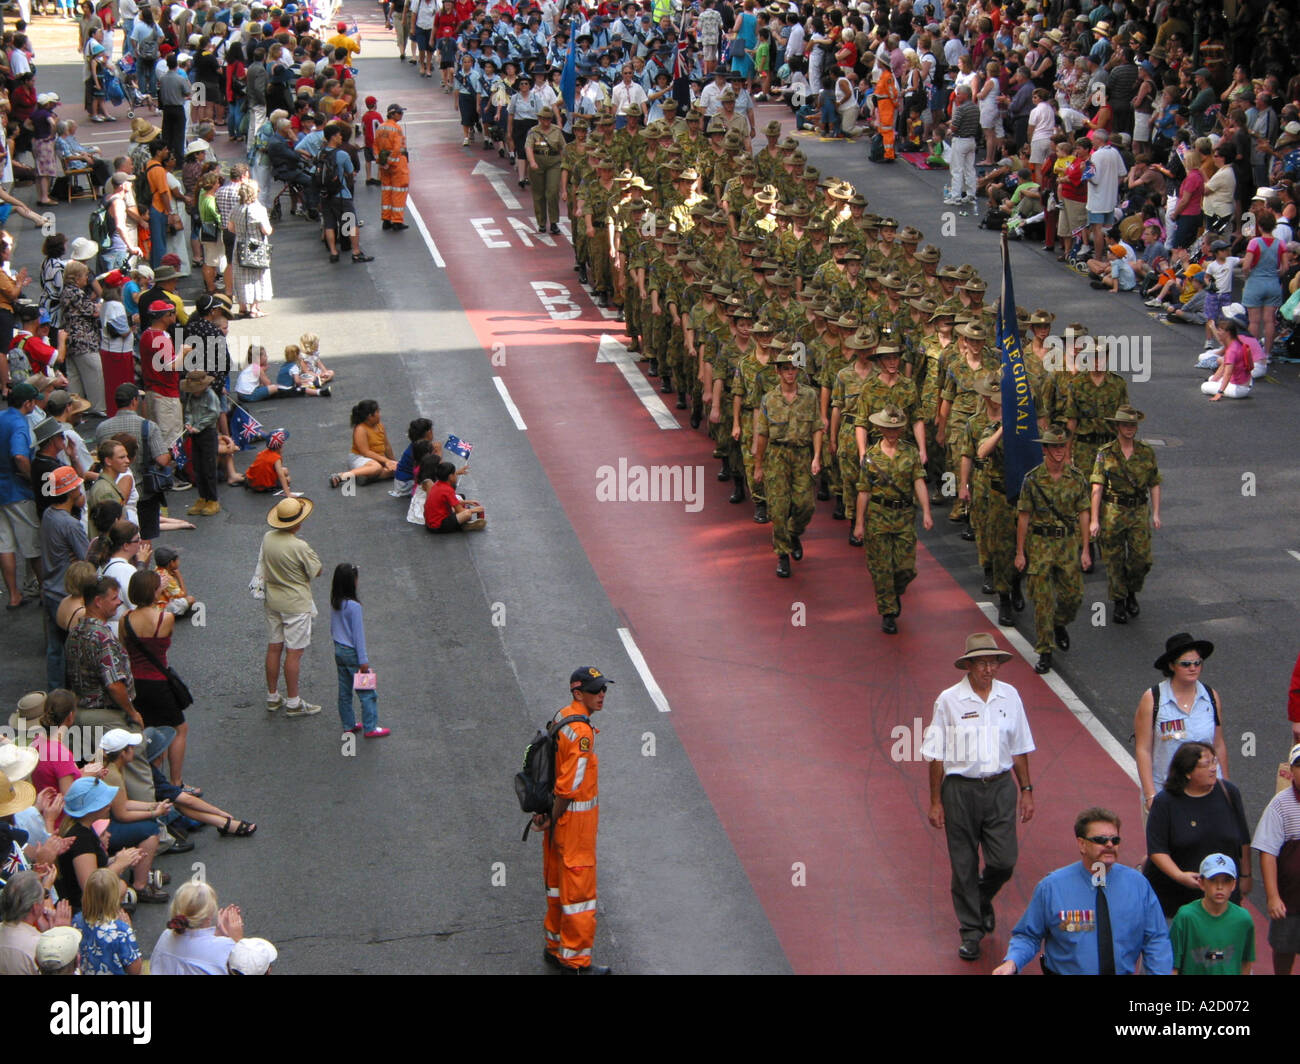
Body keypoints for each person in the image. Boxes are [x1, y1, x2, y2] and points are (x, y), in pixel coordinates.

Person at [923, 633, 1034, 961]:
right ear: (968, 665)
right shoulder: (948, 700)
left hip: (1001, 788)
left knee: (1004, 861)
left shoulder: (1009, 696)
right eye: (983, 662)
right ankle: (971, 930)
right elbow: (936, 754)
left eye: (994, 662)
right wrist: (935, 801)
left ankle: (981, 899)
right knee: (963, 864)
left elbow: (1019, 747)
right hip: (960, 790)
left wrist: (1027, 790)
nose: (990, 668)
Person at [993, 807, 1172, 975]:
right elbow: (1028, 935)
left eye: (1115, 840)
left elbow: (1156, 939)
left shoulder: (1138, 885)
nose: (1109, 844)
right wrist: (1012, 962)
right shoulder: (1052, 888)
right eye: (1101, 840)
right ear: (1082, 844)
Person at [532, 667, 613, 975]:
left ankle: (554, 948)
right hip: (573, 825)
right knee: (578, 894)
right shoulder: (582, 734)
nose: (602, 695)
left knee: (555, 887)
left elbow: (550, 771)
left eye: (604, 689)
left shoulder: (561, 717)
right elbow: (569, 786)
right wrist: (553, 818)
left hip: (557, 821)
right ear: (579, 693)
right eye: (596, 690)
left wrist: (545, 816)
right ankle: (576, 963)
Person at [1144, 741, 1251, 920]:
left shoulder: (1229, 792)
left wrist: (1246, 876)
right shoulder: (1166, 802)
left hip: (1221, 899)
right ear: (1187, 772)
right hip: (1176, 899)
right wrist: (1179, 876)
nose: (1213, 769)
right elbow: (1157, 849)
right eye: (1206, 764)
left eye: (1214, 762)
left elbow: (1243, 839)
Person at [1015, 427, 1090, 674]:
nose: (1059, 452)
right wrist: (1020, 552)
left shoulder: (1076, 478)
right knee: (1042, 601)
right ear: (1045, 450)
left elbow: (1083, 513)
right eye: (1054, 447)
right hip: (1040, 544)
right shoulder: (1033, 479)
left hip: (1067, 543)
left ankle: (1060, 624)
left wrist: (1086, 549)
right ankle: (1045, 650)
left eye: (1062, 446)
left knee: (1073, 596)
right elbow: (1024, 516)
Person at [854, 404, 933, 631]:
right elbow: (863, 491)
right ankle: (888, 611)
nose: (892, 433)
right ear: (880, 428)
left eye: (896, 428)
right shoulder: (870, 457)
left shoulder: (910, 453)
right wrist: (859, 523)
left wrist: (926, 511)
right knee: (881, 567)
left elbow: (919, 481)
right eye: (888, 428)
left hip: (904, 516)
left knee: (905, 567)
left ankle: (894, 592)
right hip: (878, 516)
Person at [752, 348, 822, 580]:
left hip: (802, 455)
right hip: (776, 457)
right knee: (779, 509)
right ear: (778, 371)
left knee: (806, 504)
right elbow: (762, 434)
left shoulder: (810, 396)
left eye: (793, 369)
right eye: (785, 369)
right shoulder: (769, 399)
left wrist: (817, 456)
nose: (790, 373)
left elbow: (817, 427)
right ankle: (782, 553)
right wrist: (758, 465)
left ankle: (794, 533)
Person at [1088, 405, 1161, 625]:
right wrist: (1094, 519)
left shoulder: (1146, 451)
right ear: (1117, 426)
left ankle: (1131, 591)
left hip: (1138, 510)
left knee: (1142, 559)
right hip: (1113, 511)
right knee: (1114, 559)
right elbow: (1097, 487)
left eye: (1133, 425)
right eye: (1126, 425)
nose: (1130, 428)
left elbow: (1154, 483)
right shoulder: (1105, 452)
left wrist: (1156, 513)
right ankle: (1120, 601)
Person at [258, 497, 322, 717]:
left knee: (274, 647)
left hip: (272, 599)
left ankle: (273, 696)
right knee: (294, 653)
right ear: (297, 523)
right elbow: (317, 570)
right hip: (295, 602)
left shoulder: (268, 538)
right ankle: (293, 701)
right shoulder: (299, 546)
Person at [1253, 743, 1300, 975]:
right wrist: (1272, 897)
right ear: (1291, 770)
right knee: (1283, 956)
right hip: (1289, 902)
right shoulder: (1280, 805)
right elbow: (1267, 852)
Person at [1169, 853, 1255, 975]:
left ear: (1234, 885)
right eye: (1213, 880)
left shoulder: (1243, 919)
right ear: (1201, 883)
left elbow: (1245, 961)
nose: (1219, 887)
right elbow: (1173, 964)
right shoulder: (1186, 917)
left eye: (1226, 881)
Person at [330, 562, 388, 740]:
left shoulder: (335, 602)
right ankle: (370, 727)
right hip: (353, 654)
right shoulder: (354, 607)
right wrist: (363, 660)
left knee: (345, 691)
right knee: (367, 693)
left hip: (339, 651)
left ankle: (349, 724)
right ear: (352, 582)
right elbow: (358, 636)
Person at [0, 381, 43, 610]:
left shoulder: (1, 416)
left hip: (1, 489)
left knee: (4, 544)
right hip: (17, 491)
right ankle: (47, 593)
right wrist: (33, 479)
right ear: (28, 403)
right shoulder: (19, 424)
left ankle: (14, 595)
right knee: (33, 544)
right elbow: (19, 456)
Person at [149, 881, 244, 975]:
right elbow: (244, 968)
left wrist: (217, 935)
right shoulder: (225, 947)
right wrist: (237, 941)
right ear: (209, 917)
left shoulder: (166, 936)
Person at [73, 866, 143, 974]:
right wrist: (129, 930)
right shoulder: (121, 930)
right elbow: (135, 969)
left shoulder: (77, 921)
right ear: (114, 897)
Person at [328, 400, 395, 489]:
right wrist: (386, 461)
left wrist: (393, 462)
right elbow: (366, 452)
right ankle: (341, 476)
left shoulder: (380, 426)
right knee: (376, 467)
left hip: (377, 459)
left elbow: (387, 446)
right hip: (360, 458)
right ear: (370, 416)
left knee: (395, 471)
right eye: (377, 412)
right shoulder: (360, 429)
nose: (380, 414)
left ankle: (366, 476)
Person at [230, 182, 272, 317]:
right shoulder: (259, 210)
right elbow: (266, 230)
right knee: (257, 276)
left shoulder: (236, 209)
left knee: (241, 276)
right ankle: (254, 308)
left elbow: (231, 228)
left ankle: (242, 307)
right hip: (256, 246)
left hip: (240, 245)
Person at [525, 108, 564, 236]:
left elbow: (563, 148)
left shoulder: (556, 131)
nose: (545, 121)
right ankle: (541, 222)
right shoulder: (533, 132)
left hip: (553, 162)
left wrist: (565, 165)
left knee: (552, 192)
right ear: (539, 119)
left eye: (548, 118)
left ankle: (553, 221)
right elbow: (528, 147)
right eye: (543, 118)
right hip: (538, 161)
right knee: (538, 193)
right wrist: (532, 162)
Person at [422, 459, 485, 532]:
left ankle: (464, 524)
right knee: (467, 514)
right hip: (437, 526)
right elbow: (460, 511)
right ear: (451, 477)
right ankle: (464, 525)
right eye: (455, 474)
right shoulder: (448, 490)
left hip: (429, 523)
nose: (456, 476)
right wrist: (475, 510)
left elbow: (451, 502)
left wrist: (467, 501)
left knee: (461, 501)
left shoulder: (437, 484)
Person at [374, 104, 410, 233]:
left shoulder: (380, 128)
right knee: (398, 192)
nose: (401, 115)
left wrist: (381, 162)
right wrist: (390, 162)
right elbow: (397, 149)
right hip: (397, 165)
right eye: (399, 113)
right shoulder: (396, 129)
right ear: (393, 114)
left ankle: (386, 219)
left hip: (384, 166)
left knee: (386, 191)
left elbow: (375, 146)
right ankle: (397, 221)